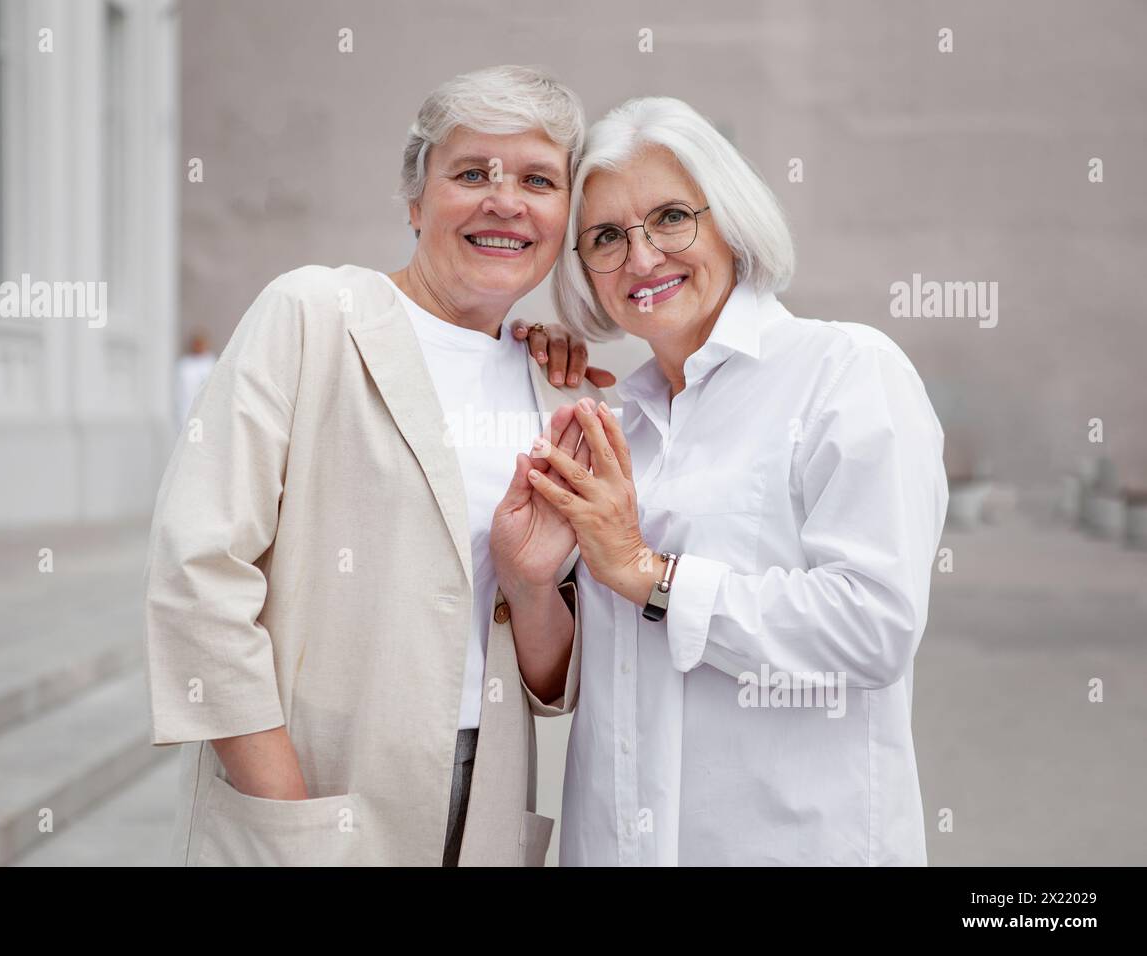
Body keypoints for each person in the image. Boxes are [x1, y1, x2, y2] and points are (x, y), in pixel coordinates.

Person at [142, 65, 608, 866]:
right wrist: (286, 816)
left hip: (490, 795)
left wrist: (532, 587)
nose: (505, 200)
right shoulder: (313, 315)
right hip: (317, 789)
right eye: (471, 173)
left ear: (564, 217)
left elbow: (551, 668)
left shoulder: (554, 389)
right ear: (416, 198)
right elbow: (198, 575)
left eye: (538, 178)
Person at [507, 96, 949, 865]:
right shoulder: (616, 427)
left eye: (672, 218)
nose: (642, 259)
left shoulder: (845, 371)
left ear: (730, 223)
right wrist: (532, 581)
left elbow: (874, 627)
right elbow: (573, 676)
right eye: (606, 237)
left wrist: (651, 575)